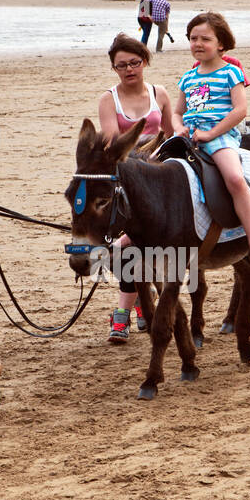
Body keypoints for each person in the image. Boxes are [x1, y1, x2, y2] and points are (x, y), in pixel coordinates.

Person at [174, 12, 250, 265]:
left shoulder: (231, 73)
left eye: (205, 39)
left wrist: (211, 133)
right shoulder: (187, 77)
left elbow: (240, 110)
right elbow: (177, 112)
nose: (197, 43)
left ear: (221, 44)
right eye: (193, 38)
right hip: (189, 135)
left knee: (235, 179)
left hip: (219, 136)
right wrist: (178, 128)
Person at [96, 34, 176, 343]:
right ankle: (127, 312)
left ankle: (136, 309)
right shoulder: (109, 99)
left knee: (152, 245)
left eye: (134, 63)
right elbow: (112, 144)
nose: (129, 69)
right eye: (121, 65)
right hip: (127, 175)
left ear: (144, 61)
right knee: (128, 247)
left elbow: (171, 134)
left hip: (159, 174)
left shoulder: (160, 93)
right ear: (114, 68)